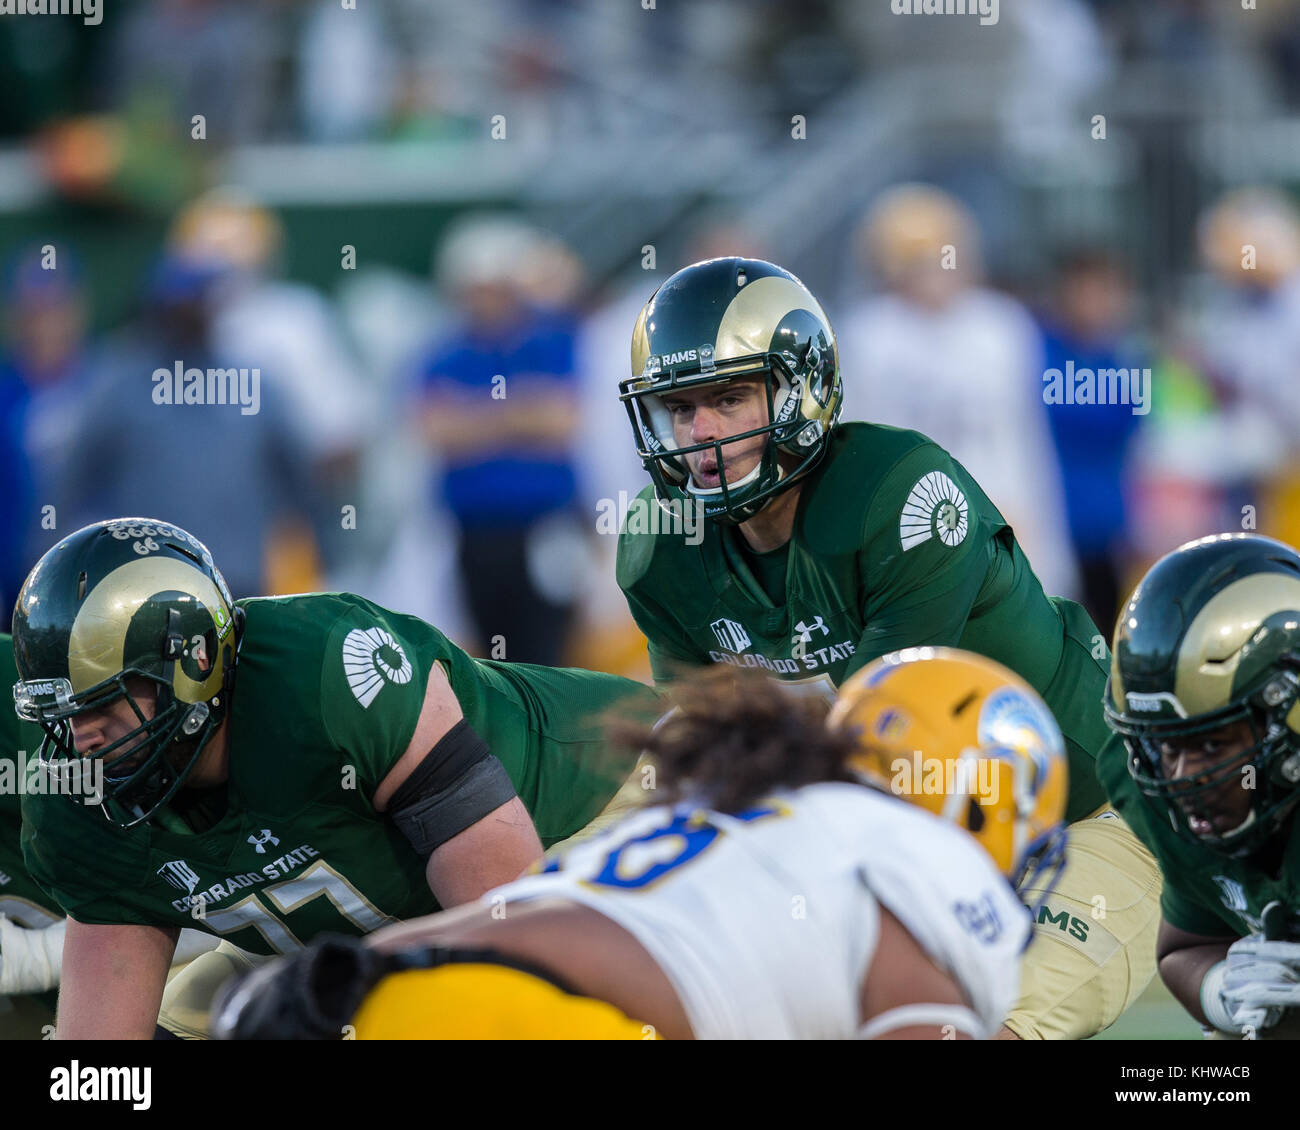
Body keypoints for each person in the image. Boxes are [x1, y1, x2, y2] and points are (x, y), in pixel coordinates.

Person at [613, 255, 1161, 1039]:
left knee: (985, 1026)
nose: (699, 435)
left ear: (799, 387)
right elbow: (709, 756)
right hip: (907, 823)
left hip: (1085, 816)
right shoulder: (661, 543)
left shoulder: (897, 491)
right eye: (679, 407)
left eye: (729, 398)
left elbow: (892, 750)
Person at [11, 518, 658, 1039]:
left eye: (100, 705)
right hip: (382, 923)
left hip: (601, 806)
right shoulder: (77, 800)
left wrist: (354, 982)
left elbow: (509, 919)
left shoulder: (324, 675)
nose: (81, 741)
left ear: (191, 665)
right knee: (187, 1022)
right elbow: (101, 1064)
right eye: (61, 716)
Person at [210, 650, 1066, 1040]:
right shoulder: (914, 855)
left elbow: (549, 924)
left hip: (389, 994)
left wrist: (333, 973)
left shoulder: (728, 816)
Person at [1101, 532, 1300, 1039]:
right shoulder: (1154, 792)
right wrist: (1225, 992)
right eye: (1168, 746)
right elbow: (1184, 946)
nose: (1182, 778)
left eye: (1211, 746)